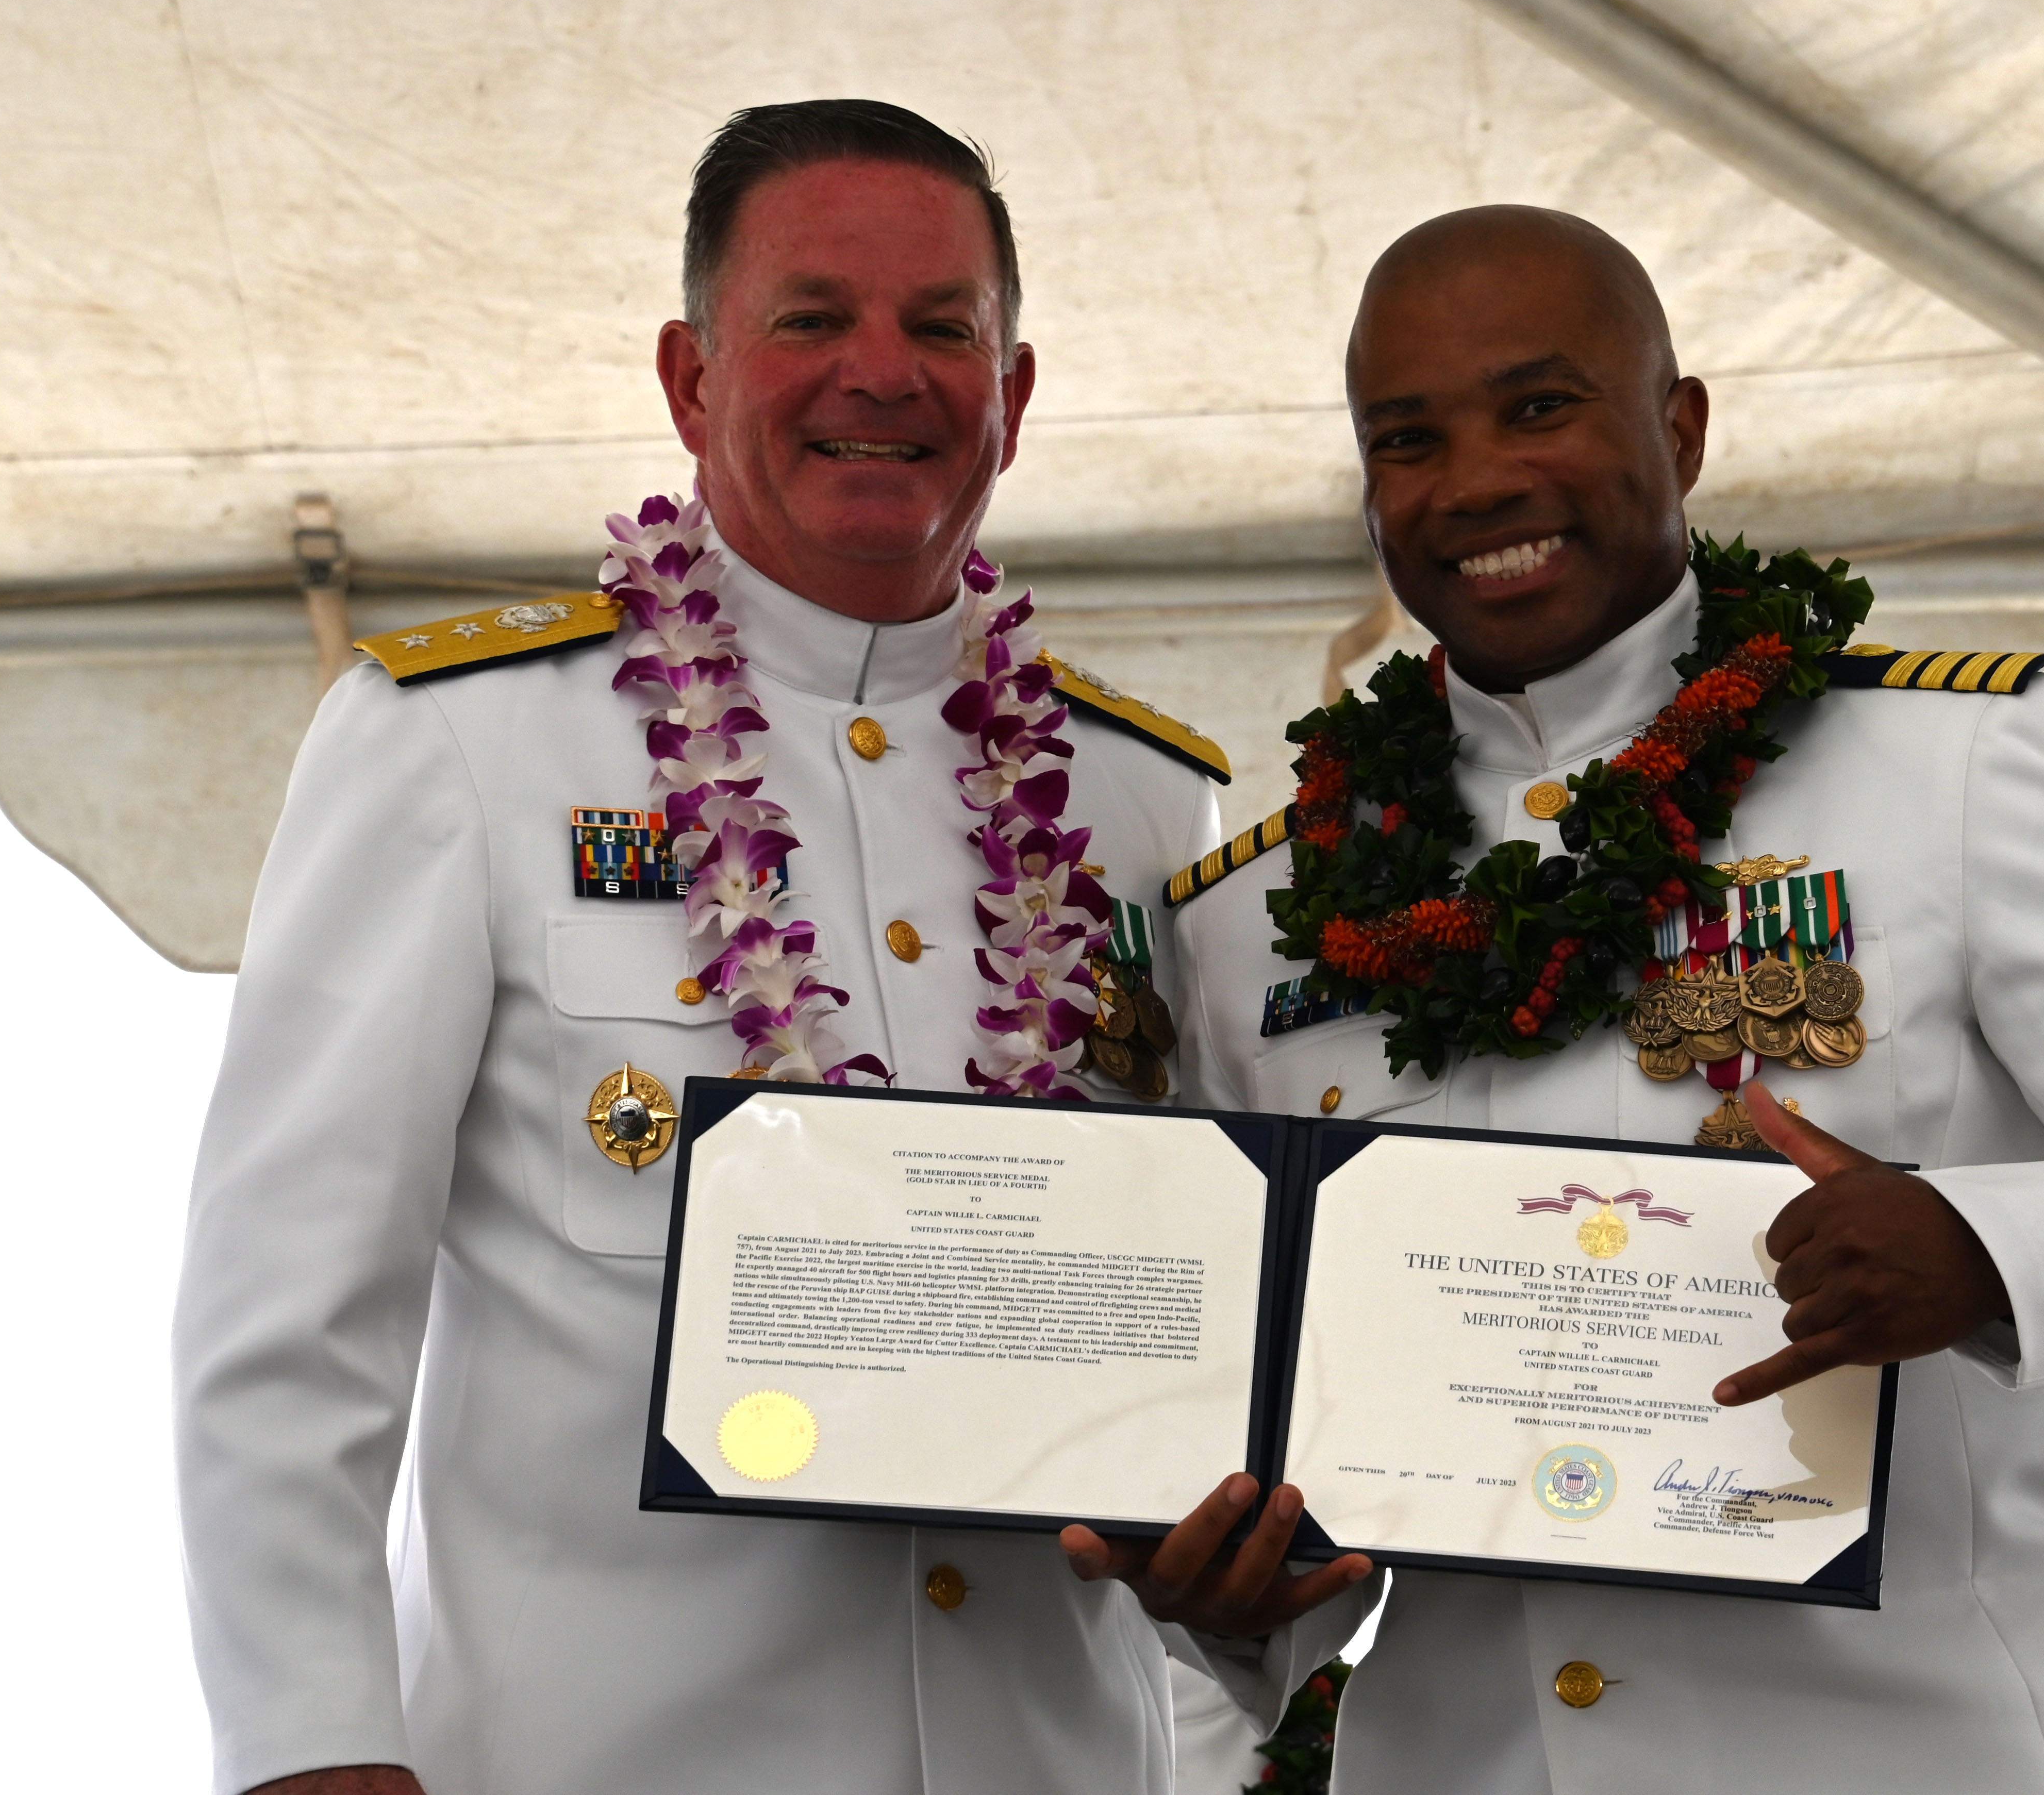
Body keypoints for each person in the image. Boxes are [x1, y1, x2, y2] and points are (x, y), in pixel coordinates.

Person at [174, 99, 1361, 1795]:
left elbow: (1220, 1347)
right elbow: (287, 1310)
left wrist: (1247, 1598)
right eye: (812, 318)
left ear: (1012, 397)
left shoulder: (1144, 800)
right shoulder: (461, 746)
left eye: (943, 327)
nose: (883, 372)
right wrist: (307, 1748)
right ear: (691, 377)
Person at [1164, 204, 2044, 1792]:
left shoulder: (1953, 765)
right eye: (1407, 438)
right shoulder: (1261, 924)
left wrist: (1981, 1247)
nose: (1476, 480)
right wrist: (1228, 1604)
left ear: (1679, 429)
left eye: (1540, 407)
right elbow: (1272, 1474)